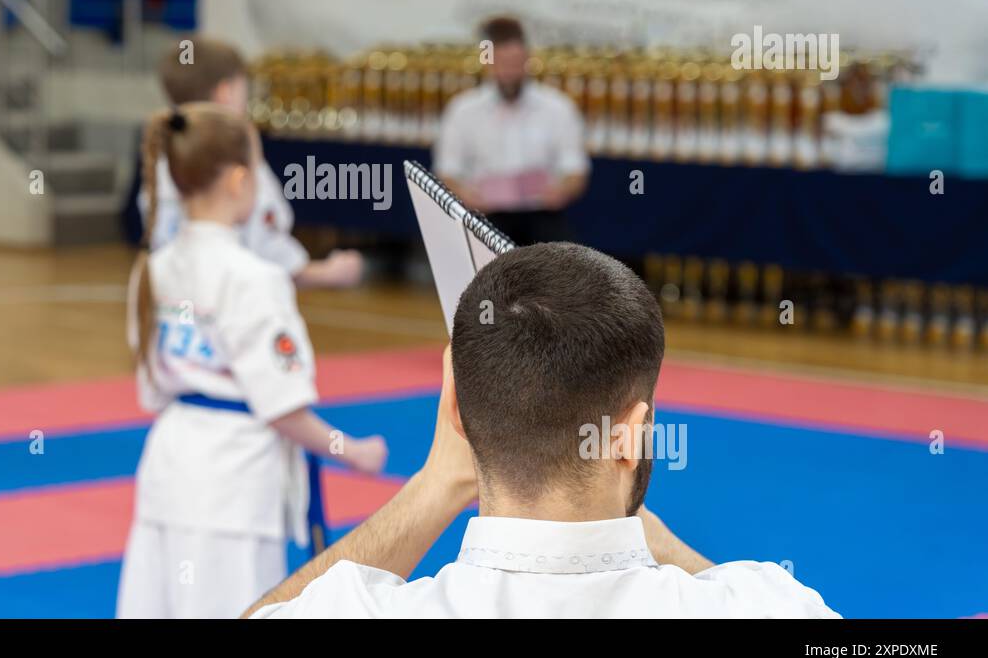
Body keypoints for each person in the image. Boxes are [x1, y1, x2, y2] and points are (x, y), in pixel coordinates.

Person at [245, 243, 839, 618]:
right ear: (631, 435)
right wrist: (651, 538)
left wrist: (436, 484)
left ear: (453, 408)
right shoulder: (769, 606)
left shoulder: (352, 609)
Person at [119, 104, 388, 619]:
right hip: (234, 484)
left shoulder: (151, 269)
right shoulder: (254, 278)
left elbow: (150, 392)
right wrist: (352, 451)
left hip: (168, 467)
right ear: (240, 179)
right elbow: (281, 407)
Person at [144, 36, 363, 288]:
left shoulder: (163, 156)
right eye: (243, 86)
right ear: (225, 92)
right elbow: (264, 233)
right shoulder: (235, 154)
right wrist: (324, 273)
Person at [434, 16, 589, 245]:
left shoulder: (558, 108)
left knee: (567, 266)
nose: (509, 73)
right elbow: (447, 171)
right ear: (487, 61)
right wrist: (466, 195)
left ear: (528, 59)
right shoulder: (463, 110)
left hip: (541, 217)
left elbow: (576, 171)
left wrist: (562, 190)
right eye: (502, 64)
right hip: (484, 217)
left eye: (516, 64)